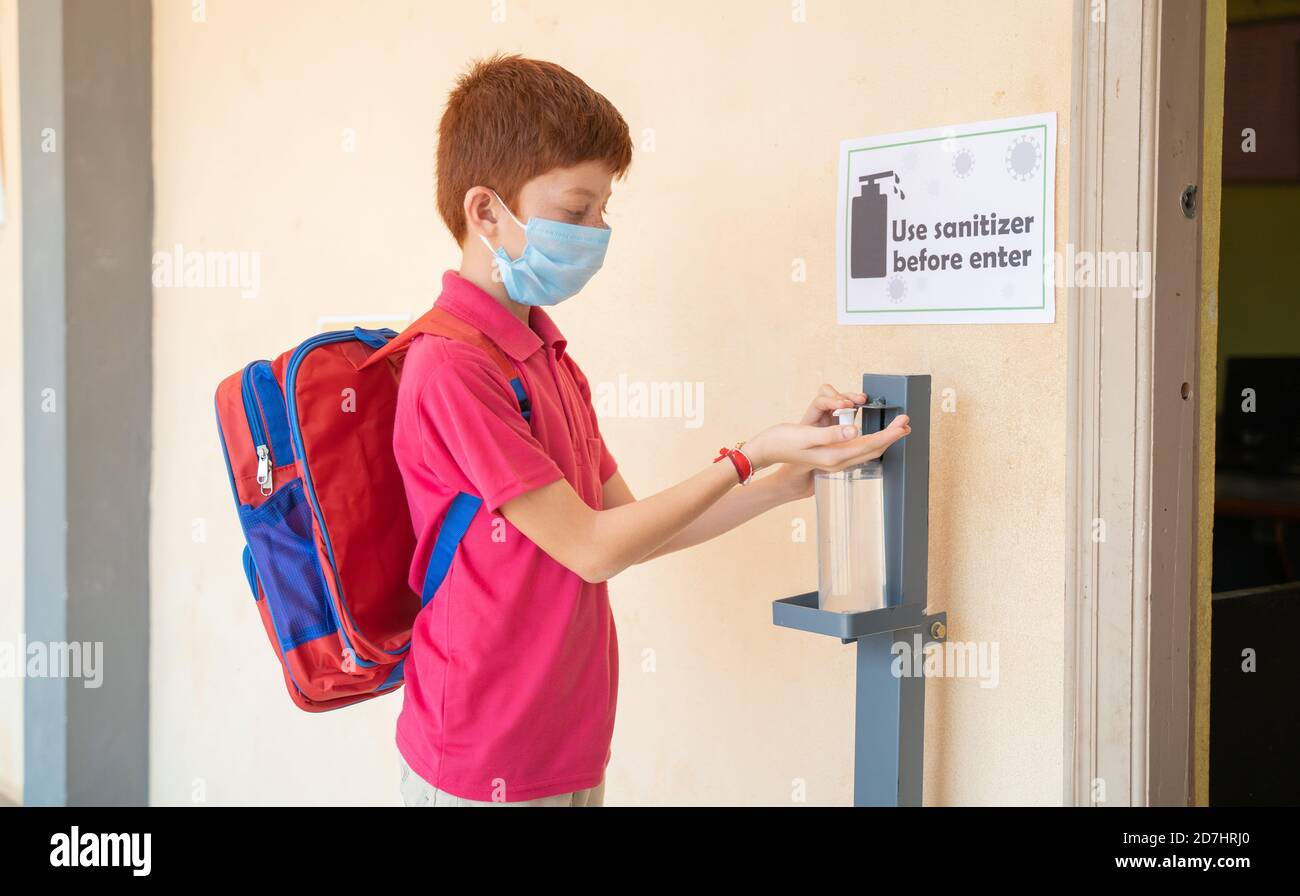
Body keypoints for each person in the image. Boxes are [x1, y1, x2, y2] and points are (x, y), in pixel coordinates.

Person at [392, 54, 910, 807]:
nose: (597, 230)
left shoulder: (545, 350)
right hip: (483, 763)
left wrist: (780, 485)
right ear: (485, 211)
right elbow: (593, 553)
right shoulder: (451, 368)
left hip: (568, 747)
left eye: (603, 209)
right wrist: (747, 454)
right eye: (576, 211)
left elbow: (626, 531)